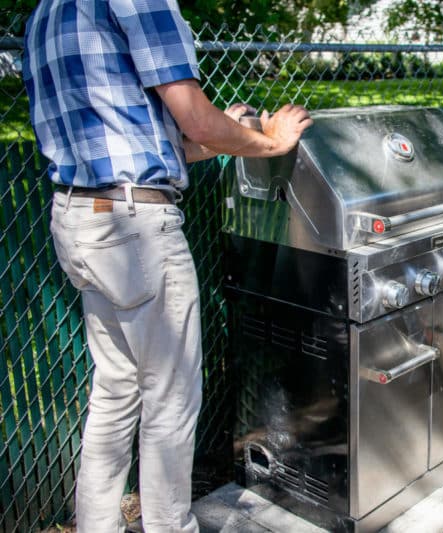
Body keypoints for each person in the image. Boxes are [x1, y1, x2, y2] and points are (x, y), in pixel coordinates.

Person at [22, 1, 312, 531]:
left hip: (80, 216)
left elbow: (152, 143)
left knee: (114, 391)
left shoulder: (46, 11)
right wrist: (270, 142)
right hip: (135, 228)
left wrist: (234, 128)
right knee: (170, 397)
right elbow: (197, 120)